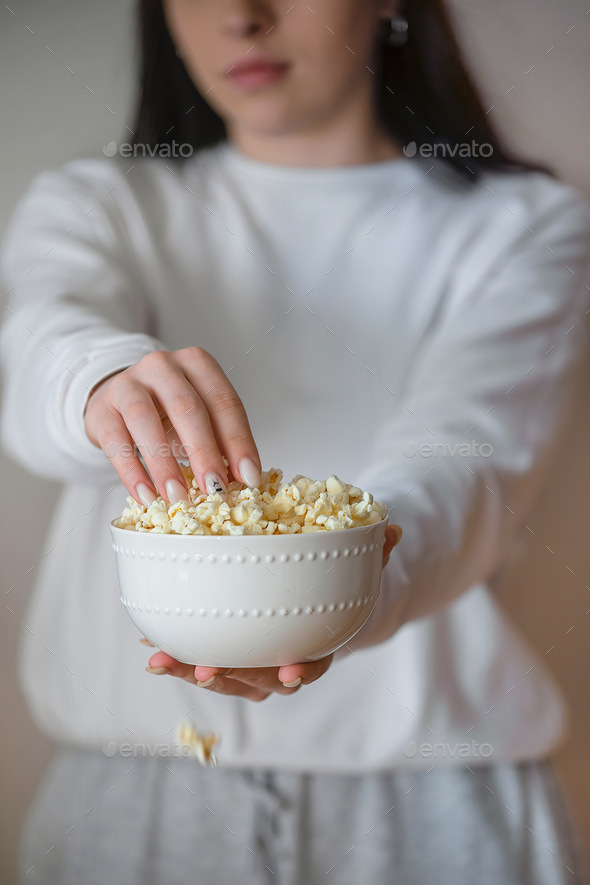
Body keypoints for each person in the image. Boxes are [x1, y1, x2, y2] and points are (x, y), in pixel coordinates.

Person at [2, 0, 590, 882]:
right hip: (138, 800)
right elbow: (40, 345)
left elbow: (467, 459)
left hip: (433, 801)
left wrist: (347, 589)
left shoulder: (526, 225)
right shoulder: (100, 204)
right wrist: (97, 380)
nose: (242, 17)